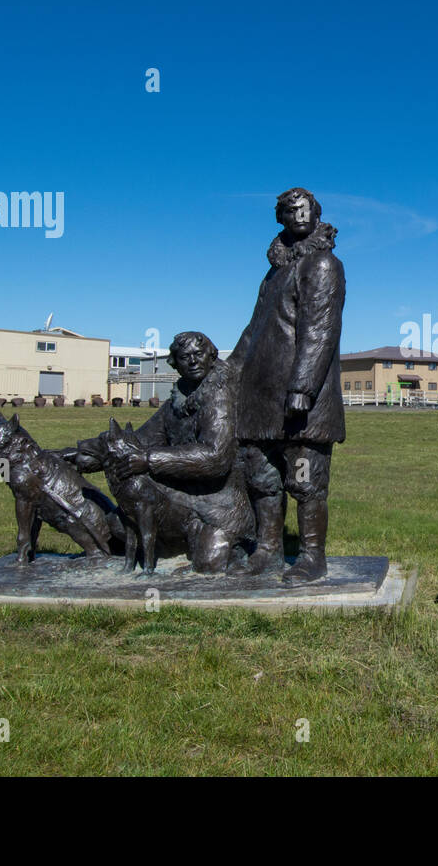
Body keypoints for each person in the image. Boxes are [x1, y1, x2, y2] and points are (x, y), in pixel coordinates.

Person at [228, 187, 345, 584]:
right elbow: (254, 330)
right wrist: (229, 372)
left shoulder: (324, 265)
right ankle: (268, 548)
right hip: (261, 398)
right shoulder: (275, 272)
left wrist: (303, 387)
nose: (298, 215)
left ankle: (313, 556)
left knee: (305, 480)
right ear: (281, 218)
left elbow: (319, 331)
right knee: (262, 478)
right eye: (290, 210)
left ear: (315, 213)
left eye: (305, 209)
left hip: (300, 401)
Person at [65, 331, 253, 573]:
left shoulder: (220, 395)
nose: (193, 361)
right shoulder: (179, 398)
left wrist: (149, 460)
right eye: (185, 357)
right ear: (176, 363)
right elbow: (139, 440)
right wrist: (86, 452)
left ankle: (233, 549)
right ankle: (170, 545)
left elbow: (214, 457)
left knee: (208, 564)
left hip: (219, 506)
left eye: (199, 354)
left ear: (212, 357)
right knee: (117, 525)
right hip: (181, 499)